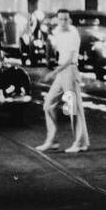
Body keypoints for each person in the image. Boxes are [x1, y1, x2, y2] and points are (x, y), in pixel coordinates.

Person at [35, 8, 89, 153]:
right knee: (48, 104)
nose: (63, 22)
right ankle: (51, 141)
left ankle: (80, 143)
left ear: (70, 20)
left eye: (66, 19)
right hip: (61, 72)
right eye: (61, 19)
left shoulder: (73, 33)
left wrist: (55, 72)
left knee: (73, 109)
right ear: (57, 20)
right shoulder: (57, 31)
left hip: (69, 70)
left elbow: (70, 58)